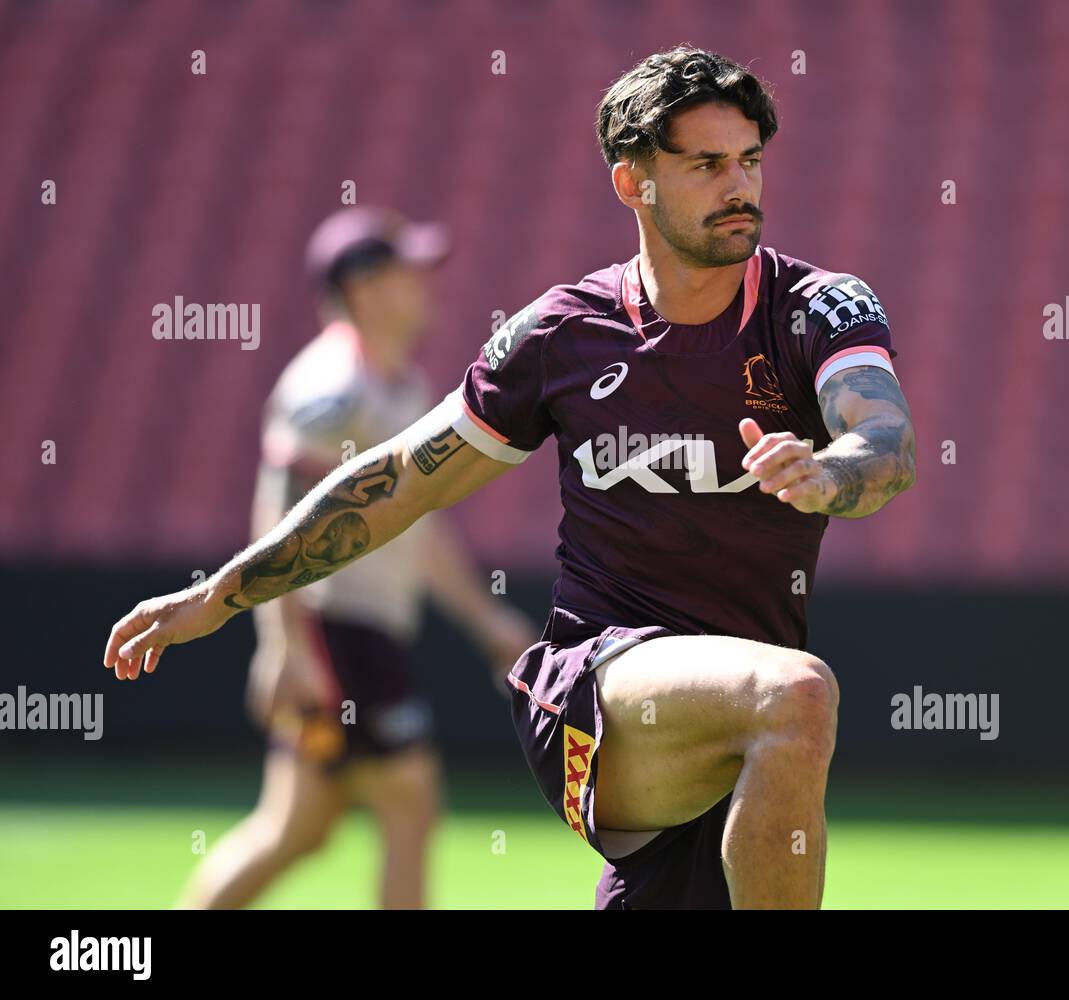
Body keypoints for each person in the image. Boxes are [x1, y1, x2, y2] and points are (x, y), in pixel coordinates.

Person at [104, 46, 916, 910]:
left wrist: (828, 472)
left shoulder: (818, 307)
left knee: (770, 716)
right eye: (705, 163)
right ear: (632, 181)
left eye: (749, 159)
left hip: (722, 740)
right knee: (795, 693)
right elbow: (401, 483)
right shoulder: (561, 336)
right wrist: (224, 593)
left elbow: (888, 441)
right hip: (595, 692)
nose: (738, 185)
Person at [176, 207, 536, 909]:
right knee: (410, 805)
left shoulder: (394, 386)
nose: (426, 284)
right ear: (365, 287)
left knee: (296, 830)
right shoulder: (330, 390)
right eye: (409, 270)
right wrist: (283, 647)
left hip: (359, 631)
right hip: (335, 631)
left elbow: (417, 527)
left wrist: (484, 620)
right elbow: (278, 522)